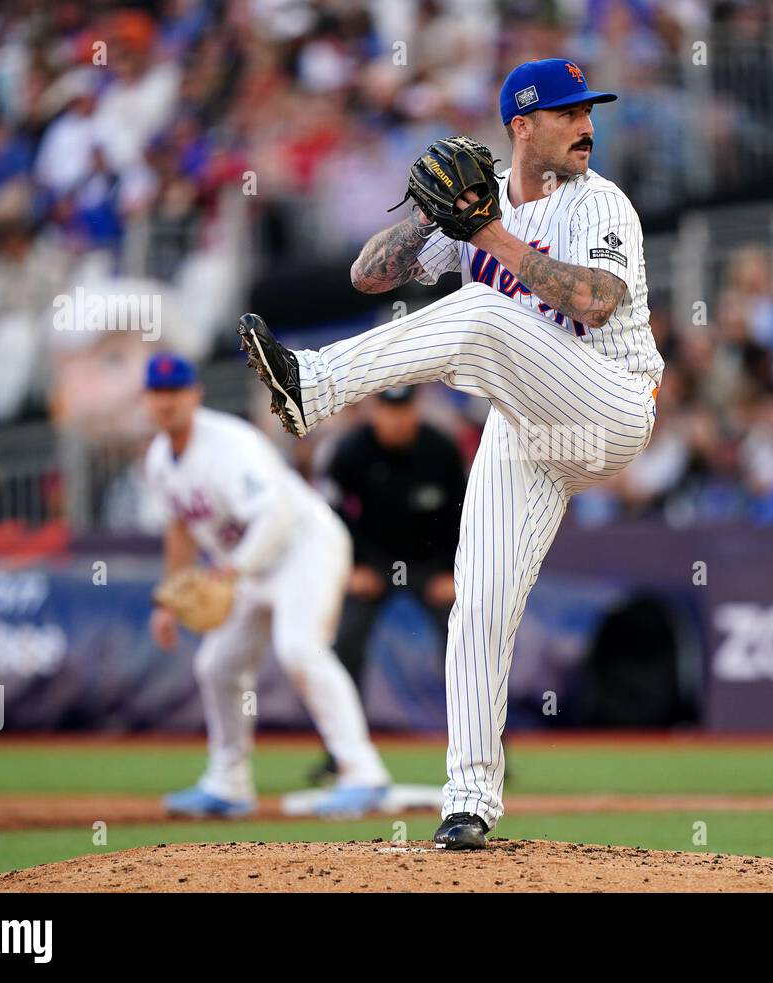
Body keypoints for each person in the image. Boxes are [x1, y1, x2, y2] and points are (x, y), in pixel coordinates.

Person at [238, 58, 661, 848]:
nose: (586, 125)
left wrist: (485, 234)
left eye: (589, 109)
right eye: (568, 112)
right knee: (480, 601)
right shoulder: (483, 199)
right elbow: (370, 274)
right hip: (526, 419)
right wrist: (429, 218)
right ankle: (468, 800)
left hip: (608, 401)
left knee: (480, 314)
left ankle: (314, 387)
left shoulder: (600, 203)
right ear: (521, 127)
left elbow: (597, 304)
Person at [142, 353, 392, 817]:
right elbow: (179, 528)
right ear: (146, 401)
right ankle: (229, 782)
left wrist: (233, 570)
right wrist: (168, 600)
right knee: (216, 664)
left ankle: (363, 772)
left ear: (195, 394)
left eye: (175, 391)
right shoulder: (159, 460)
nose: (166, 402)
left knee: (300, 648)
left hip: (304, 547)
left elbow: (274, 515)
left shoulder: (228, 445)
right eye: (157, 393)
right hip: (246, 566)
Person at [306, 384, 465, 786]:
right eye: (388, 409)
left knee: (467, 642)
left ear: (417, 409)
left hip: (431, 562)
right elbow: (330, 515)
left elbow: (466, 515)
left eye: (404, 408)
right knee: (345, 645)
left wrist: (452, 570)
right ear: (374, 411)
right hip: (371, 562)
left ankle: (485, 751)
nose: (396, 418)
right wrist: (353, 566)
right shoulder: (351, 453)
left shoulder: (441, 451)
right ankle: (340, 754)